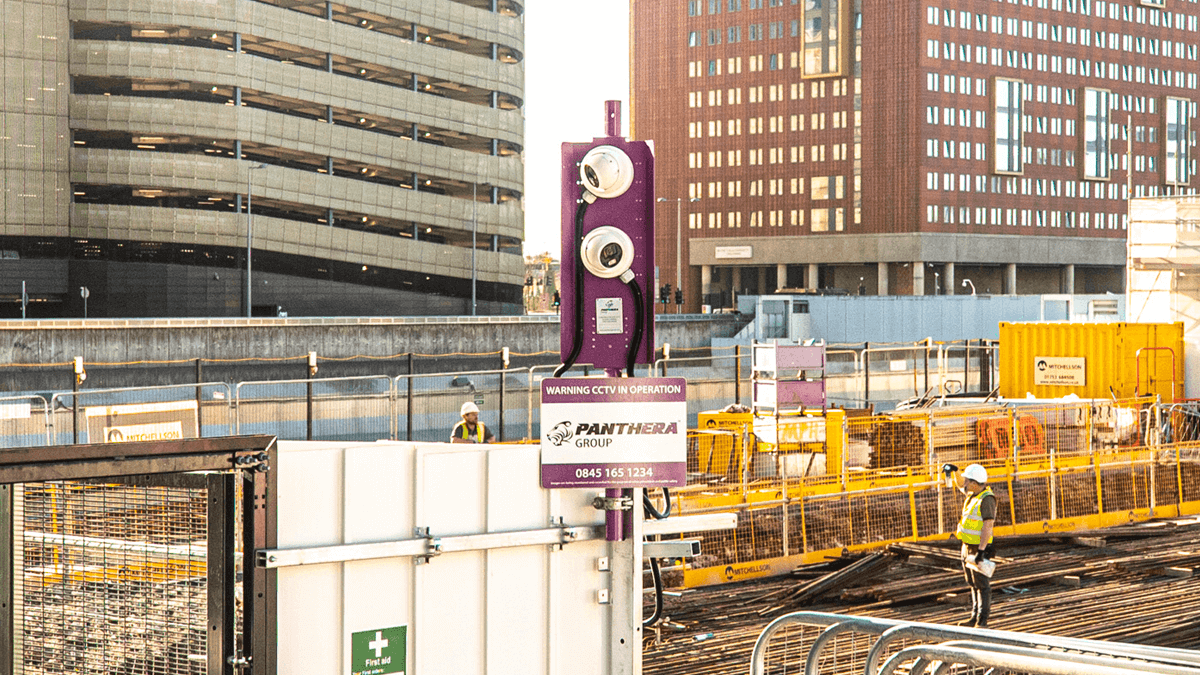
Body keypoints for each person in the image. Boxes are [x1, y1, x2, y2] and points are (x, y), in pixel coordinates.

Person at [954, 463, 996, 627]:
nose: (964, 483)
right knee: (971, 582)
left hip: (978, 547)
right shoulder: (973, 495)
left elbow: (988, 526)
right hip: (967, 545)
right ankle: (974, 616)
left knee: (982, 584)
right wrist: (955, 471)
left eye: (967, 480)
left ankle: (982, 620)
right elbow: (959, 485)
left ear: (974, 482)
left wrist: (981, 551)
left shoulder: (986, 499)